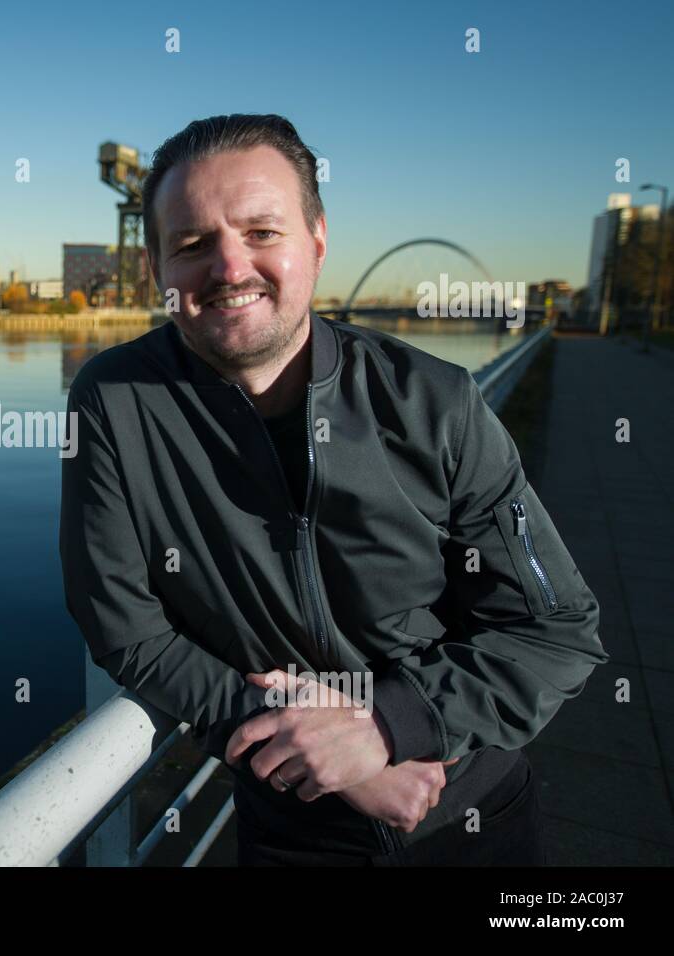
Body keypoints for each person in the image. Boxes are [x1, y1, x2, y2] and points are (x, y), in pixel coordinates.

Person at [58, 113, 606, 866]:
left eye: (262, 232)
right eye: (191, 245)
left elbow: (558, 629)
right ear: (158, 267)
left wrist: (387, 728)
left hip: (469, 810)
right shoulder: (114, 402)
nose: (228, 267)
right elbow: (124, 627)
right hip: (294, 833)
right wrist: (318, 755)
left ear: (318, 241)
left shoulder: (434, 402)